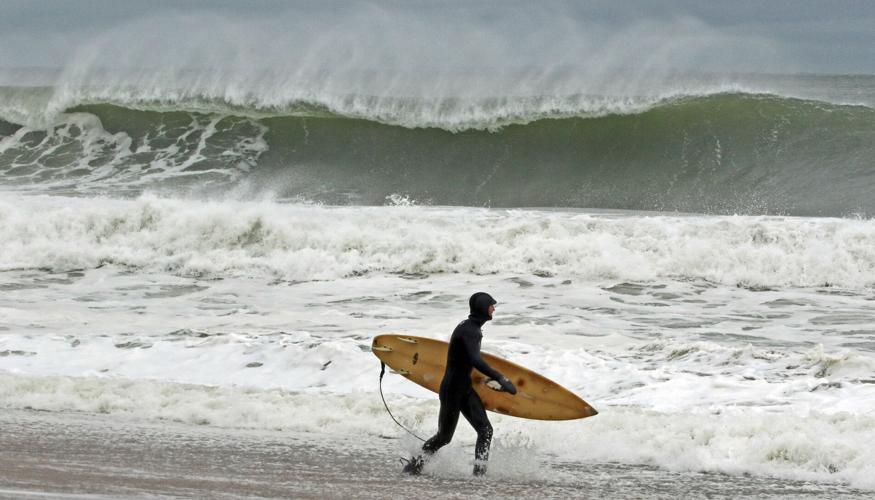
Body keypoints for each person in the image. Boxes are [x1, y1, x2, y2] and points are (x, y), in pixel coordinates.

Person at [402, 292, 517, 476]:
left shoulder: (472, 328)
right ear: (482, 308)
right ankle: (413, 467)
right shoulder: (470, 331)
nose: (494, 309)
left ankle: (479, 476)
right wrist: (500, 377)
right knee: (444, 437)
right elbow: (475, 360)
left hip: (465, 389)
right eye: (491, 306)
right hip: (452, 392)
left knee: (485, 431)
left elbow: (470, 361)